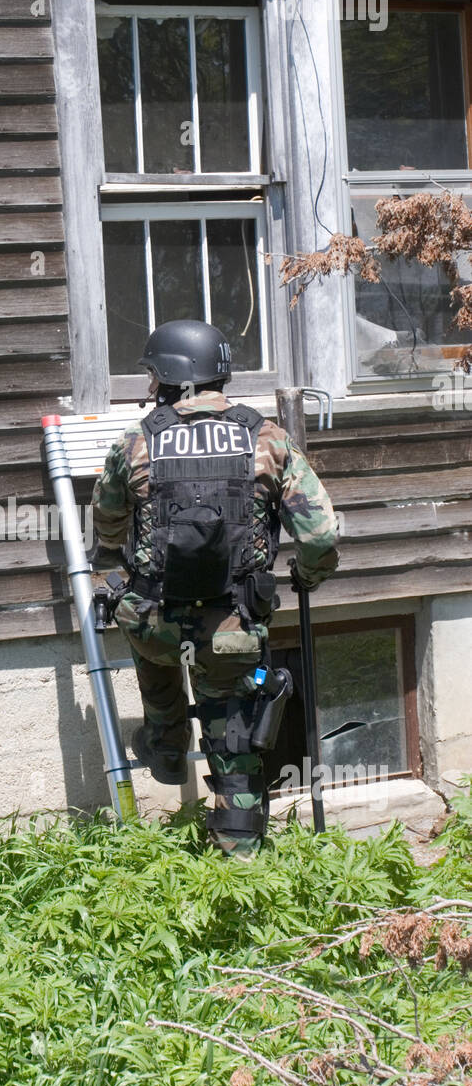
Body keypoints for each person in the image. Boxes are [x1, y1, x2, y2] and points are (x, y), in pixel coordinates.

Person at [90, 320, 339, 858]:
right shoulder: (267, 438)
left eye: (154, 375)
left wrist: (112, 563)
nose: (151, 387)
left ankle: (168, 741)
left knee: (149, 642)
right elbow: (319, 535)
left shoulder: (138, 441)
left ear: (176, 376)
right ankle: (239, 856)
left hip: (155, 622)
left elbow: (107, 522)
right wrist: (308, 576)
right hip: (233, 632)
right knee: (235, 744)